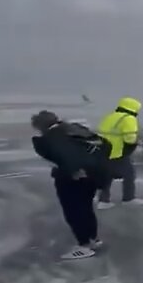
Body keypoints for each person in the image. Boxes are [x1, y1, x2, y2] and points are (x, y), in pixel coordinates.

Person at [31, 110, 111, 260]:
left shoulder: (52, 136)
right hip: (92, 176)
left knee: (74, 211)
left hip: (71, 179)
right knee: (86, 208)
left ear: (40, 125)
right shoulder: (75, 129)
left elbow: (65, 154)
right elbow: (106, 145)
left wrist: (74, 170)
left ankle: (84, 245)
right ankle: (94, 239)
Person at [95, 97, 143, 209]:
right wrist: (136, 142)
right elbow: (129, 139)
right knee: (129, 174)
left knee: (106, 175)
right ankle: (128, 198)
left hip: (103, 151)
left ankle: (103, 200)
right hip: (118, 152)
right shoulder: (129, 119)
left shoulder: (110, 116)